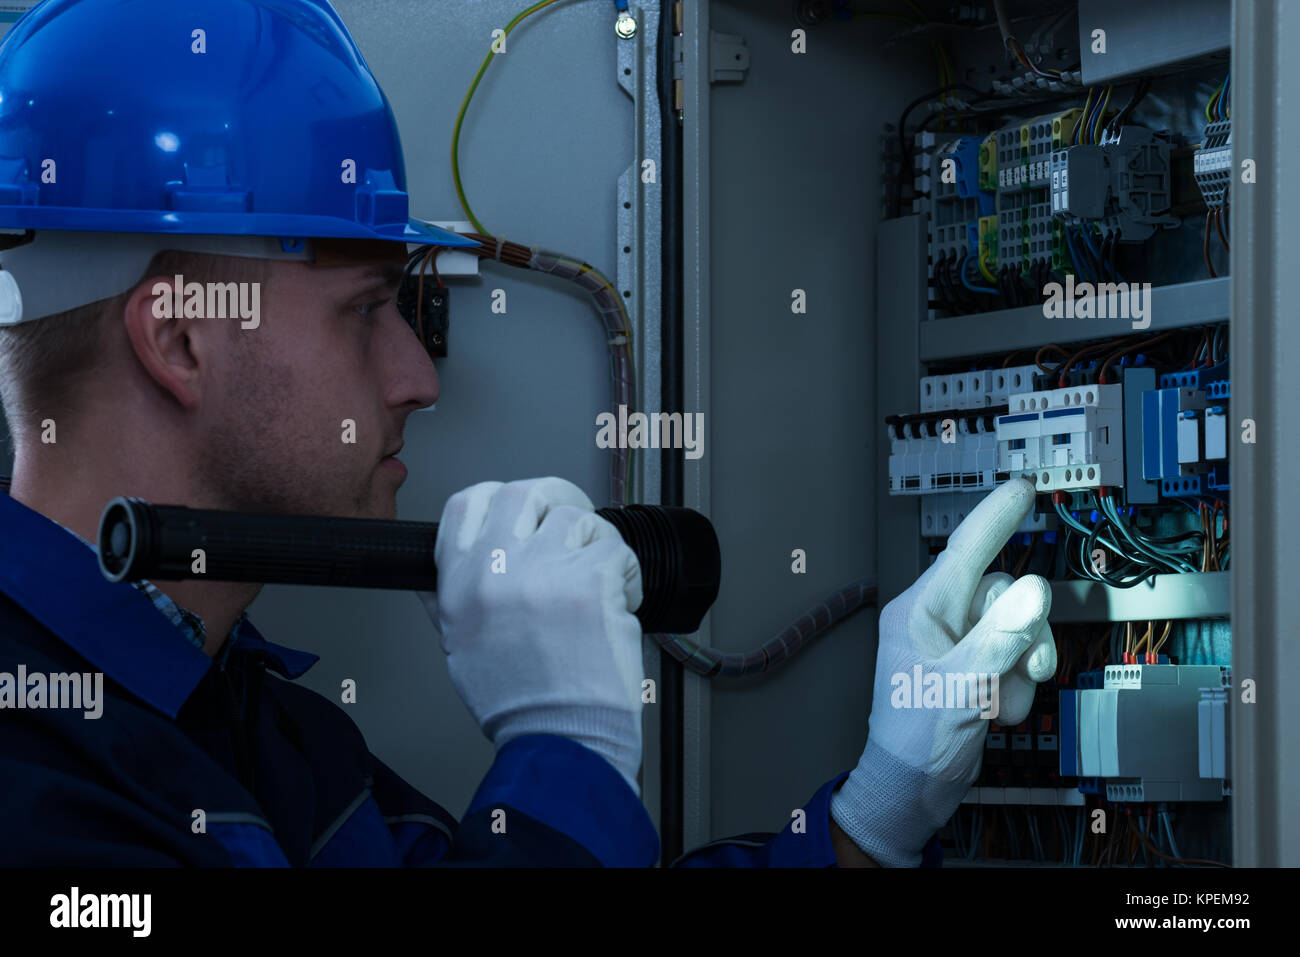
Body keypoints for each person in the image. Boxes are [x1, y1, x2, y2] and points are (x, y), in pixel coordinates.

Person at [0, 0, 1056, 867]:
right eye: (368, 311)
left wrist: (876, 814)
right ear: (182, 339)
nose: (418, 378)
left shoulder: (267, 735)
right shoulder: (40, 783)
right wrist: (568, 750)